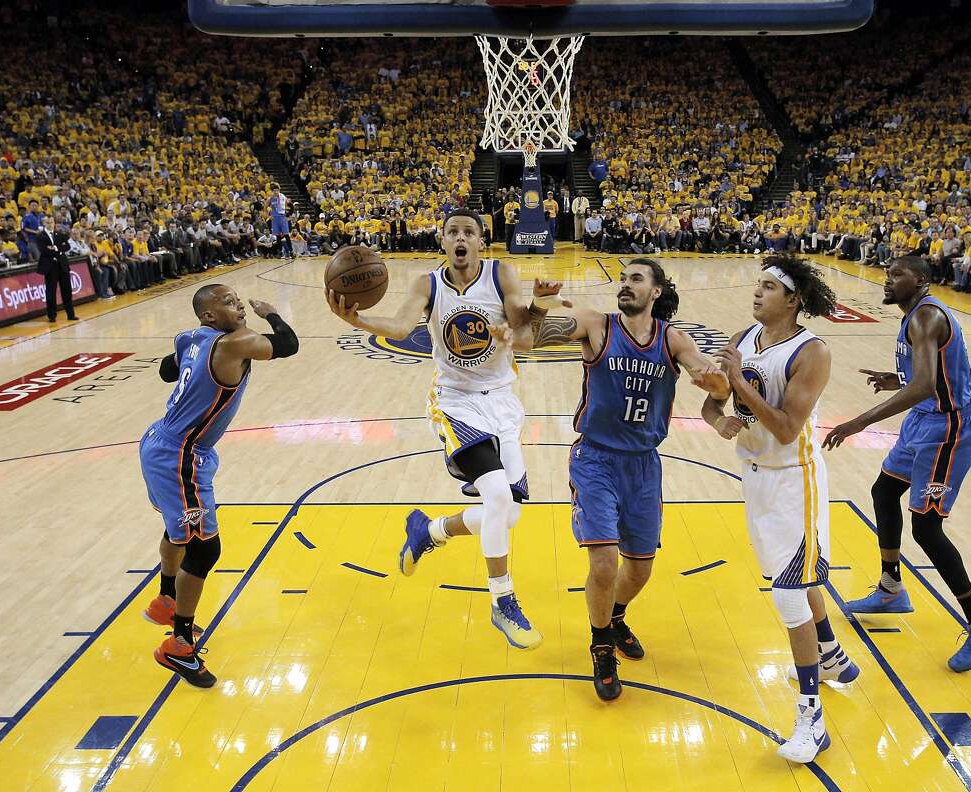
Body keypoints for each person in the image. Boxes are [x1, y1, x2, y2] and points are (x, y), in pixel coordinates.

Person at [326, 209, 565, 649]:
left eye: (469, 232)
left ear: (480, 241)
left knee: (507, 514)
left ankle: (428, 532)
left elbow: (524, 335)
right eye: (452, 231)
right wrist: (358, 321)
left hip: (502, 403)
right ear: (443, 241)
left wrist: (538, 306)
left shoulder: (501, 274)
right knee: (496, 497)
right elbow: (399, 327)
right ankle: (502, 601)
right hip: (455, 404)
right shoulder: (428, 284)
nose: (460, 237)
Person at [504, 258, 727, 701]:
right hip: (596, 458)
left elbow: (713, 382)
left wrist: (718, 384)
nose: (625, 286)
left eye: (636, 280)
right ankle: (601, 644)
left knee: (639, 570)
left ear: (656, 292)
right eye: (622, 279)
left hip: (644, 464)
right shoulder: (596, 325)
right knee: (604, 561)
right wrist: (539, 306)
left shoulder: (673, 340)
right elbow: (526, 341)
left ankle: (616, 617)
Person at [701, 255, 857, 763]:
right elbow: (723, 398)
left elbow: (787, 427)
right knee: (800, 579)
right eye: (757, 285)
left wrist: (741, 382)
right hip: (756, 476)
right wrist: (716, 411)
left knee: (790, 595)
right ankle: (831, 657)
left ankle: (812, 719)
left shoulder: (812, 351)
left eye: (768, 287)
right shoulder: (748, 337)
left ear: (793, 300)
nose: (757, 293)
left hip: (796, 482)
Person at [824, 256, 971, 672]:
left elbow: (927, 383)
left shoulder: (926, 317)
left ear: (920, 280)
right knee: (884, 490)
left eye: (896, 275)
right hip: (924, 418)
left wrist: (858, 422)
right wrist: (898, 378)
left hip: (949, 429)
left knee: (926, 527)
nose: (886, 282)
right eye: (886, 274)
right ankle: (891, 588)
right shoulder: (915, 316)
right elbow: (929, 375)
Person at [140, 285, 299, 687]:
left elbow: (165, 370)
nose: (240, 304)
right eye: (229, 302)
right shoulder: (237, 342)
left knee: (179, 530)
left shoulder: (189, 337)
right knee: (205, 548)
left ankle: (166, 599)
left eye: (238, 299)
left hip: (160, 443)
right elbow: (288, 345)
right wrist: (271, 314)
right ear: (209, 316)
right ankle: (178, 645)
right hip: (181, 456)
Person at [34, 217, 78, 322]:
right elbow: (44, 250)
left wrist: (56, 248)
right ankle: (52, 316)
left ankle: (70, 314)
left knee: (67, 291)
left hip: (62, 265)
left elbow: (67, 246)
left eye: (51, 222)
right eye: (47, 222)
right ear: (44, 223)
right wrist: (59, 251)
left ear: (54, 223)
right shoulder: (41, 236)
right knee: (51, 292)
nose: (50, 224)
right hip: (50, 267)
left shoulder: (60, 234)